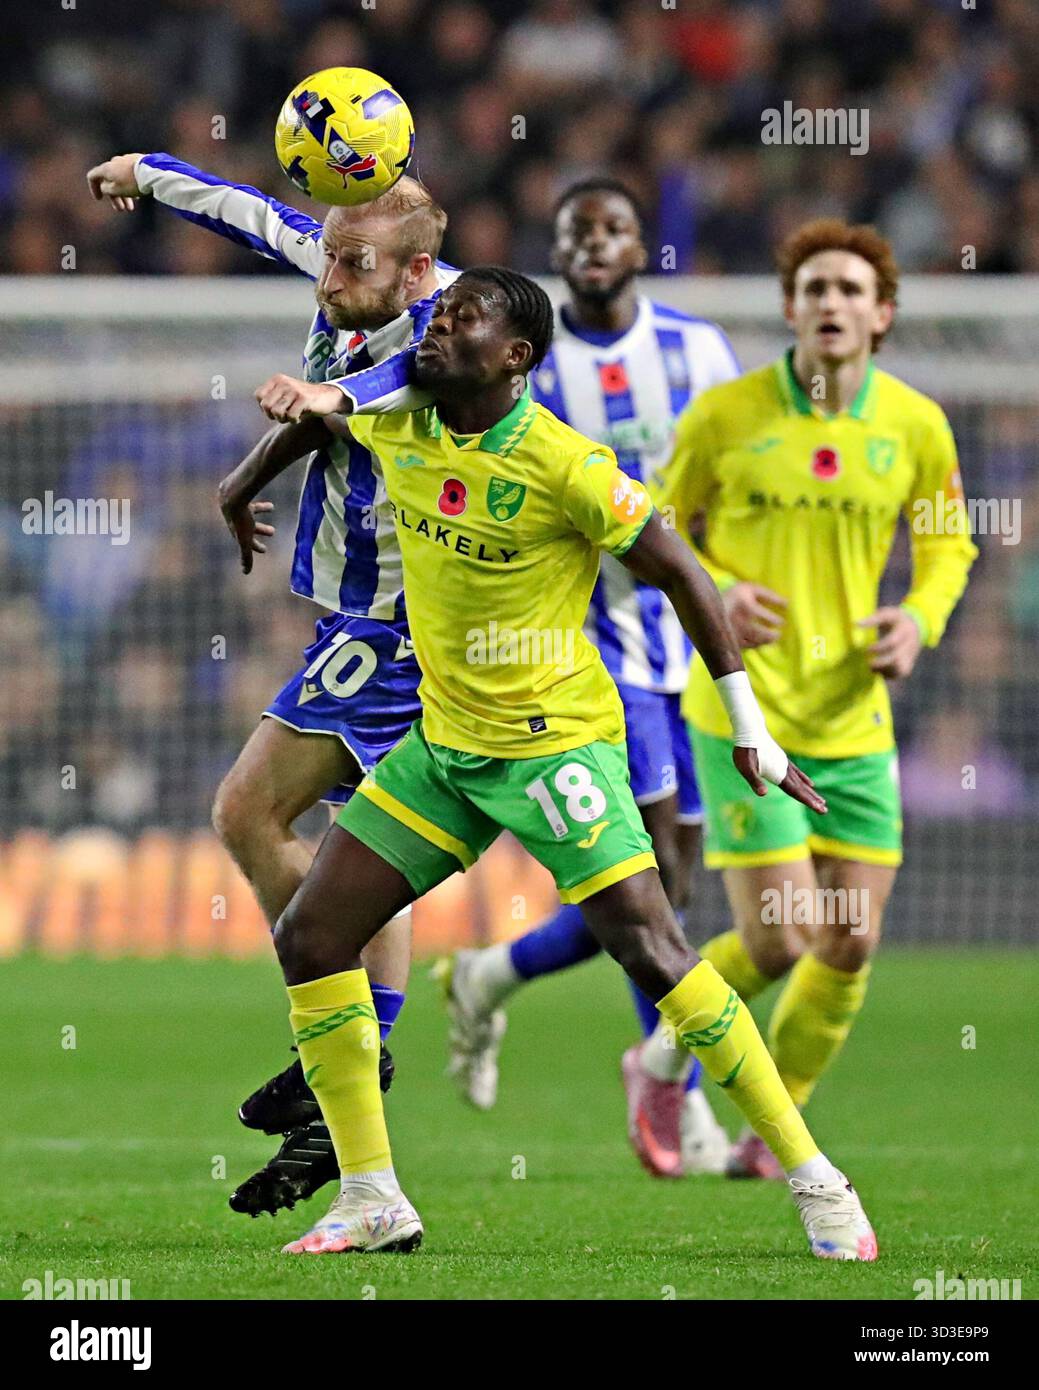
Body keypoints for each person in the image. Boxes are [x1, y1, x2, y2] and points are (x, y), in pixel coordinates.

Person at [251, 265, 878, 1261]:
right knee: (311, 937)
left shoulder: (564, 463)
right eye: (440, 315)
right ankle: (371, 1197)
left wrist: (750, 723)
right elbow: (323, 420)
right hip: (445, 750)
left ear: (517, 360)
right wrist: (242, 484)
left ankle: (817, 1179)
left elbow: (681, 571)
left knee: (655, 951)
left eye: (464, 322)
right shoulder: (404, 421)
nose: (439, 328)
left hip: (557, 749)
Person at [87, 151, 456, 1212]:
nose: (329, 280)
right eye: (329, 257)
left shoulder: (444, 327)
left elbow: (396, 383)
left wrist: (327, 392)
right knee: (361, 846)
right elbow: (253, 217)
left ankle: (345, 1039)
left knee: (248, 810)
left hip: (399, 625)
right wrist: (146, 174)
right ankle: (357, 1107)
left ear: (416, 268)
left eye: (352, 264)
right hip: (360, 614)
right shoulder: (346, 263)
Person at [652, 219, 977, 1178]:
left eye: (849, 290)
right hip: (741, 706)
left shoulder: (914, 425)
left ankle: (768, 1127)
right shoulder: (726, 414)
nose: (830, 303)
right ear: (790, 308)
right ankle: (663, 1056)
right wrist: (718, 585)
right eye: (814, 288)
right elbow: (662, 530)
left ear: (880, 314)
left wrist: (919, 617)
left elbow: (950, 541)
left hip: (852, 715)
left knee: (847, 939)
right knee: (782, 931)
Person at [434, 179, 738, 1178]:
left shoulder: (698, 354)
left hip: (681, 637)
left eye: (610, 229)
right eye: (574, 234)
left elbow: (727, 492)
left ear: (639, 244)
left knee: (673, 879)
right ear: (557, 255)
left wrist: (740, 592)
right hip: (588, 641)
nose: (593, 245)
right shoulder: (528, 365)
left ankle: (490, 972)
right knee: (646, 877)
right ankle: (675, 1089)